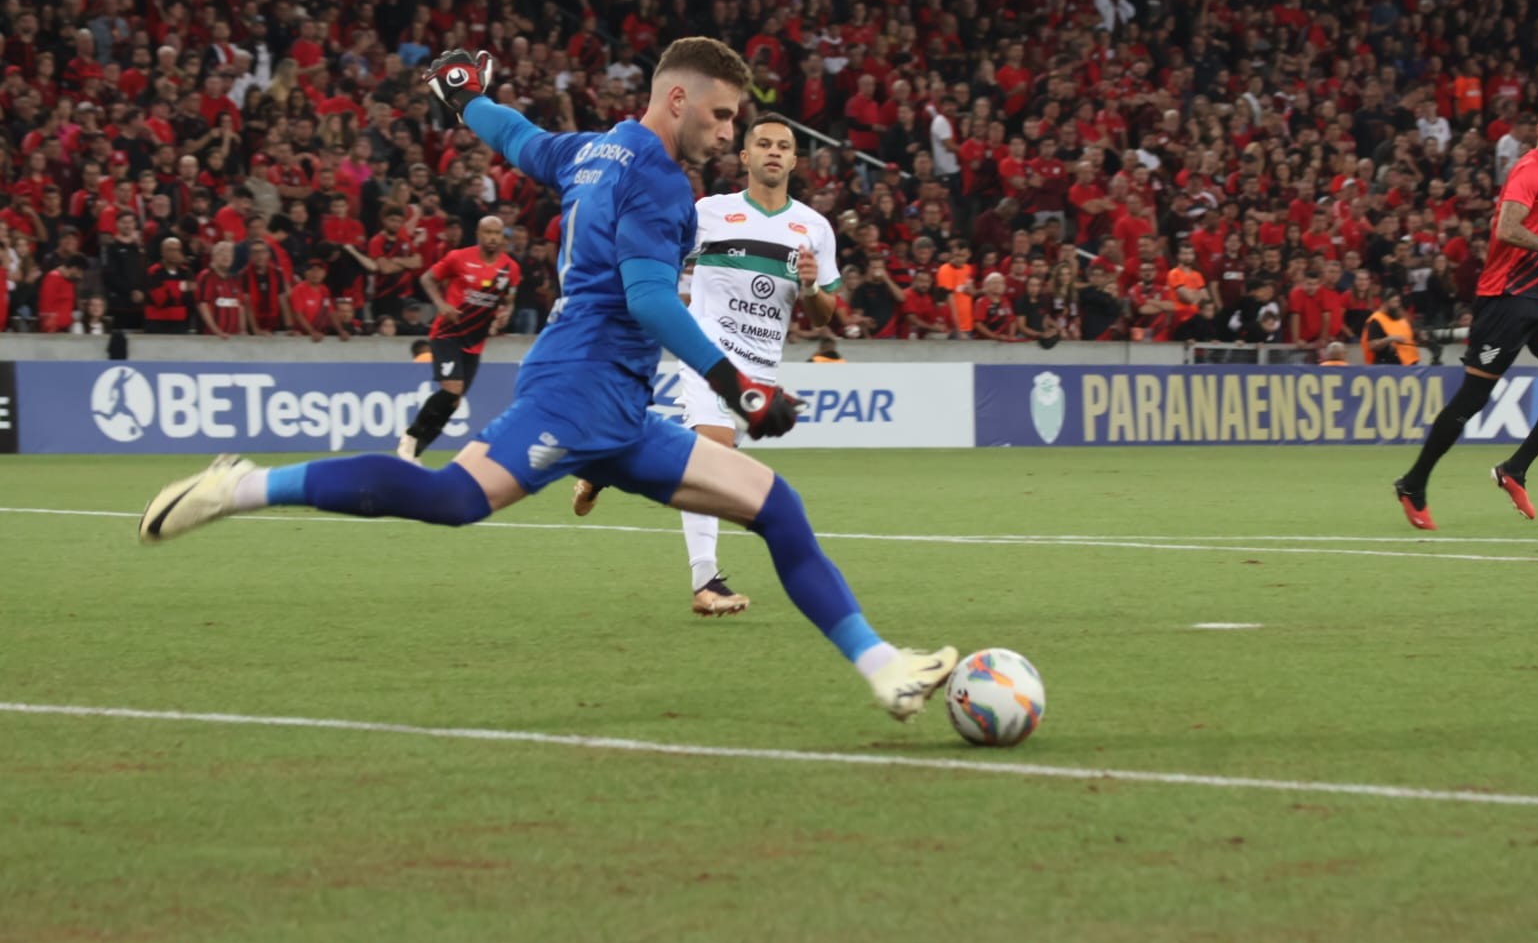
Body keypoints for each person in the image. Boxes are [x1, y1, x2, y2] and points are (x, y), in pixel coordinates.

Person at [137, 39, 955, 722]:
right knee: (453, 500)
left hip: (622, 407)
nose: (728, 132)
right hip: (577, 388)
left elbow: (516, 134)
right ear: (676, 99)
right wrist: (737, 384)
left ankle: (883, 669)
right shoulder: (660, 183)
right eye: (721, 116)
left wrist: (464, 101)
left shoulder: (592, 150)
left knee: (776, 505)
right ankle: (239, 489)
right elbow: (644, 298)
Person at [572, 114, 841, 617]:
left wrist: (809, 287)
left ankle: (603, 459)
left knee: (707, 466)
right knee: (711, 457)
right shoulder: (709, 214)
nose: (774, 152)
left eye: (783, 146)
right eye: (762, 143)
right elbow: (656, 259)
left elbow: (826, 312)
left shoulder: (815, 229)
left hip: (761, 368)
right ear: (744, 157)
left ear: (795, 159)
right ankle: (706, 582)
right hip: (708, 354)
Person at [1396, 98, 1538, 528]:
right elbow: (1506, 229)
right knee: (1470, 402)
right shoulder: (1529, 169)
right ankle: (1413, 483)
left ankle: (1514, 470)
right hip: (1505, 299)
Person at [397, 215, 520, 460]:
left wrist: (504, 315)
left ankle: (414, 453)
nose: (493, 238)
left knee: (453, 403)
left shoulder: (510, 268)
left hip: (474, 342)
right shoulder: (459, 258)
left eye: (497, 233)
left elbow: (509, 300)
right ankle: (411, 436)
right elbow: (427, 278)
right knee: (452, 390)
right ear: (478, 233)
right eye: (488, 232)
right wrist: (441, 305)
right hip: (448, 333)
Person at [1361, 289, 1419, 365]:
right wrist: (1391, 339)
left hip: (1409, 364)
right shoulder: (1376, 320)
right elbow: (1372, 345)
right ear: (1385, 303)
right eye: (1394, 302)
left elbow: (1408, 338)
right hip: (1388, 367)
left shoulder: (1400, 318)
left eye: (1398, 302)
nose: (1397, 305)